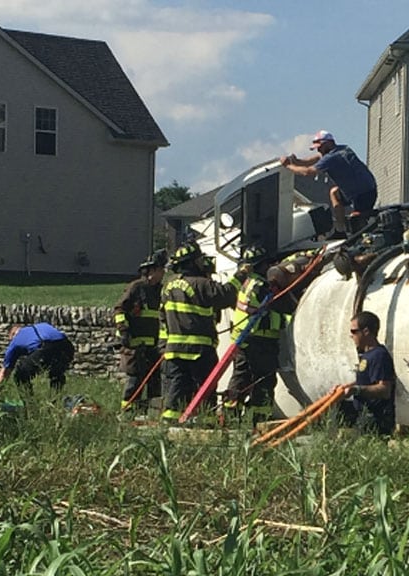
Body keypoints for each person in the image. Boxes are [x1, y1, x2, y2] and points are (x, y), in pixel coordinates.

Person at [158, 242, 239, 423]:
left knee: (176, 389)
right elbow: (227, 294)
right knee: (205, 388)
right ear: (192, 262)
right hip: (199, 351)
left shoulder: (168, 287)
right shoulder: (201, 284)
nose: (204, 262)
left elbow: (163, 320)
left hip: (174, 351)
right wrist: (241, 275)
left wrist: (163, 347)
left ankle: (170, 423)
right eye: (200, 260)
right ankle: (206, 421)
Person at [221, 244, 296, 424]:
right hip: (260, 339)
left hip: (244, 339)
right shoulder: (261, 285)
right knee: (264, 379)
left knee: (241, 376)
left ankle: (230, 411)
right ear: (262, 265)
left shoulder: (246, 282)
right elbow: (280, 307)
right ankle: (259, 416)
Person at [280, 130, 377, 239]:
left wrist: (288, 165)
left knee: (357, 221)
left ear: (328, 143)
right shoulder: (343, 149)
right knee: (334, 192)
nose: (318, 150)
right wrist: (297, 161)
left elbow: (308, 172)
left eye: (320, 147)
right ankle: (340, 230)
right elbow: (317, 158)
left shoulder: (331, 158)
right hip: (365, 188)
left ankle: (360, 239)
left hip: (363, 194)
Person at [115, 249, 167, 411]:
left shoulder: (161, 290)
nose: (163, 273)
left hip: (153, 345)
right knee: (135, 379)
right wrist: (124, 331)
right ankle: (127, 411)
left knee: (154, 379)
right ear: (151, 270)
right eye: (160, 269)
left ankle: (151, 411)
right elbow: (119, 310)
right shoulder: (136, 288)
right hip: (134, 343)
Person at [338, 311, 396, 435]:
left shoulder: (379, 356)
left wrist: (356, 390)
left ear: (366, 332)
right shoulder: (367, 355)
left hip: (376, 420)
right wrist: (347, 387)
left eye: (354, 331)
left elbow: (385, 389)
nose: (351, 335)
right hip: (365, 416)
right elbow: (368, 380)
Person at [0, 323, 75, 391]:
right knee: (56, 374)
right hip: (67, 347)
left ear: (12, 334)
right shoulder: (42, 325)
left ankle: (30, 405)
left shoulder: (15, 342)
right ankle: (56, 401)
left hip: (45, 348)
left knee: (20, 375)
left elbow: (5, 372)